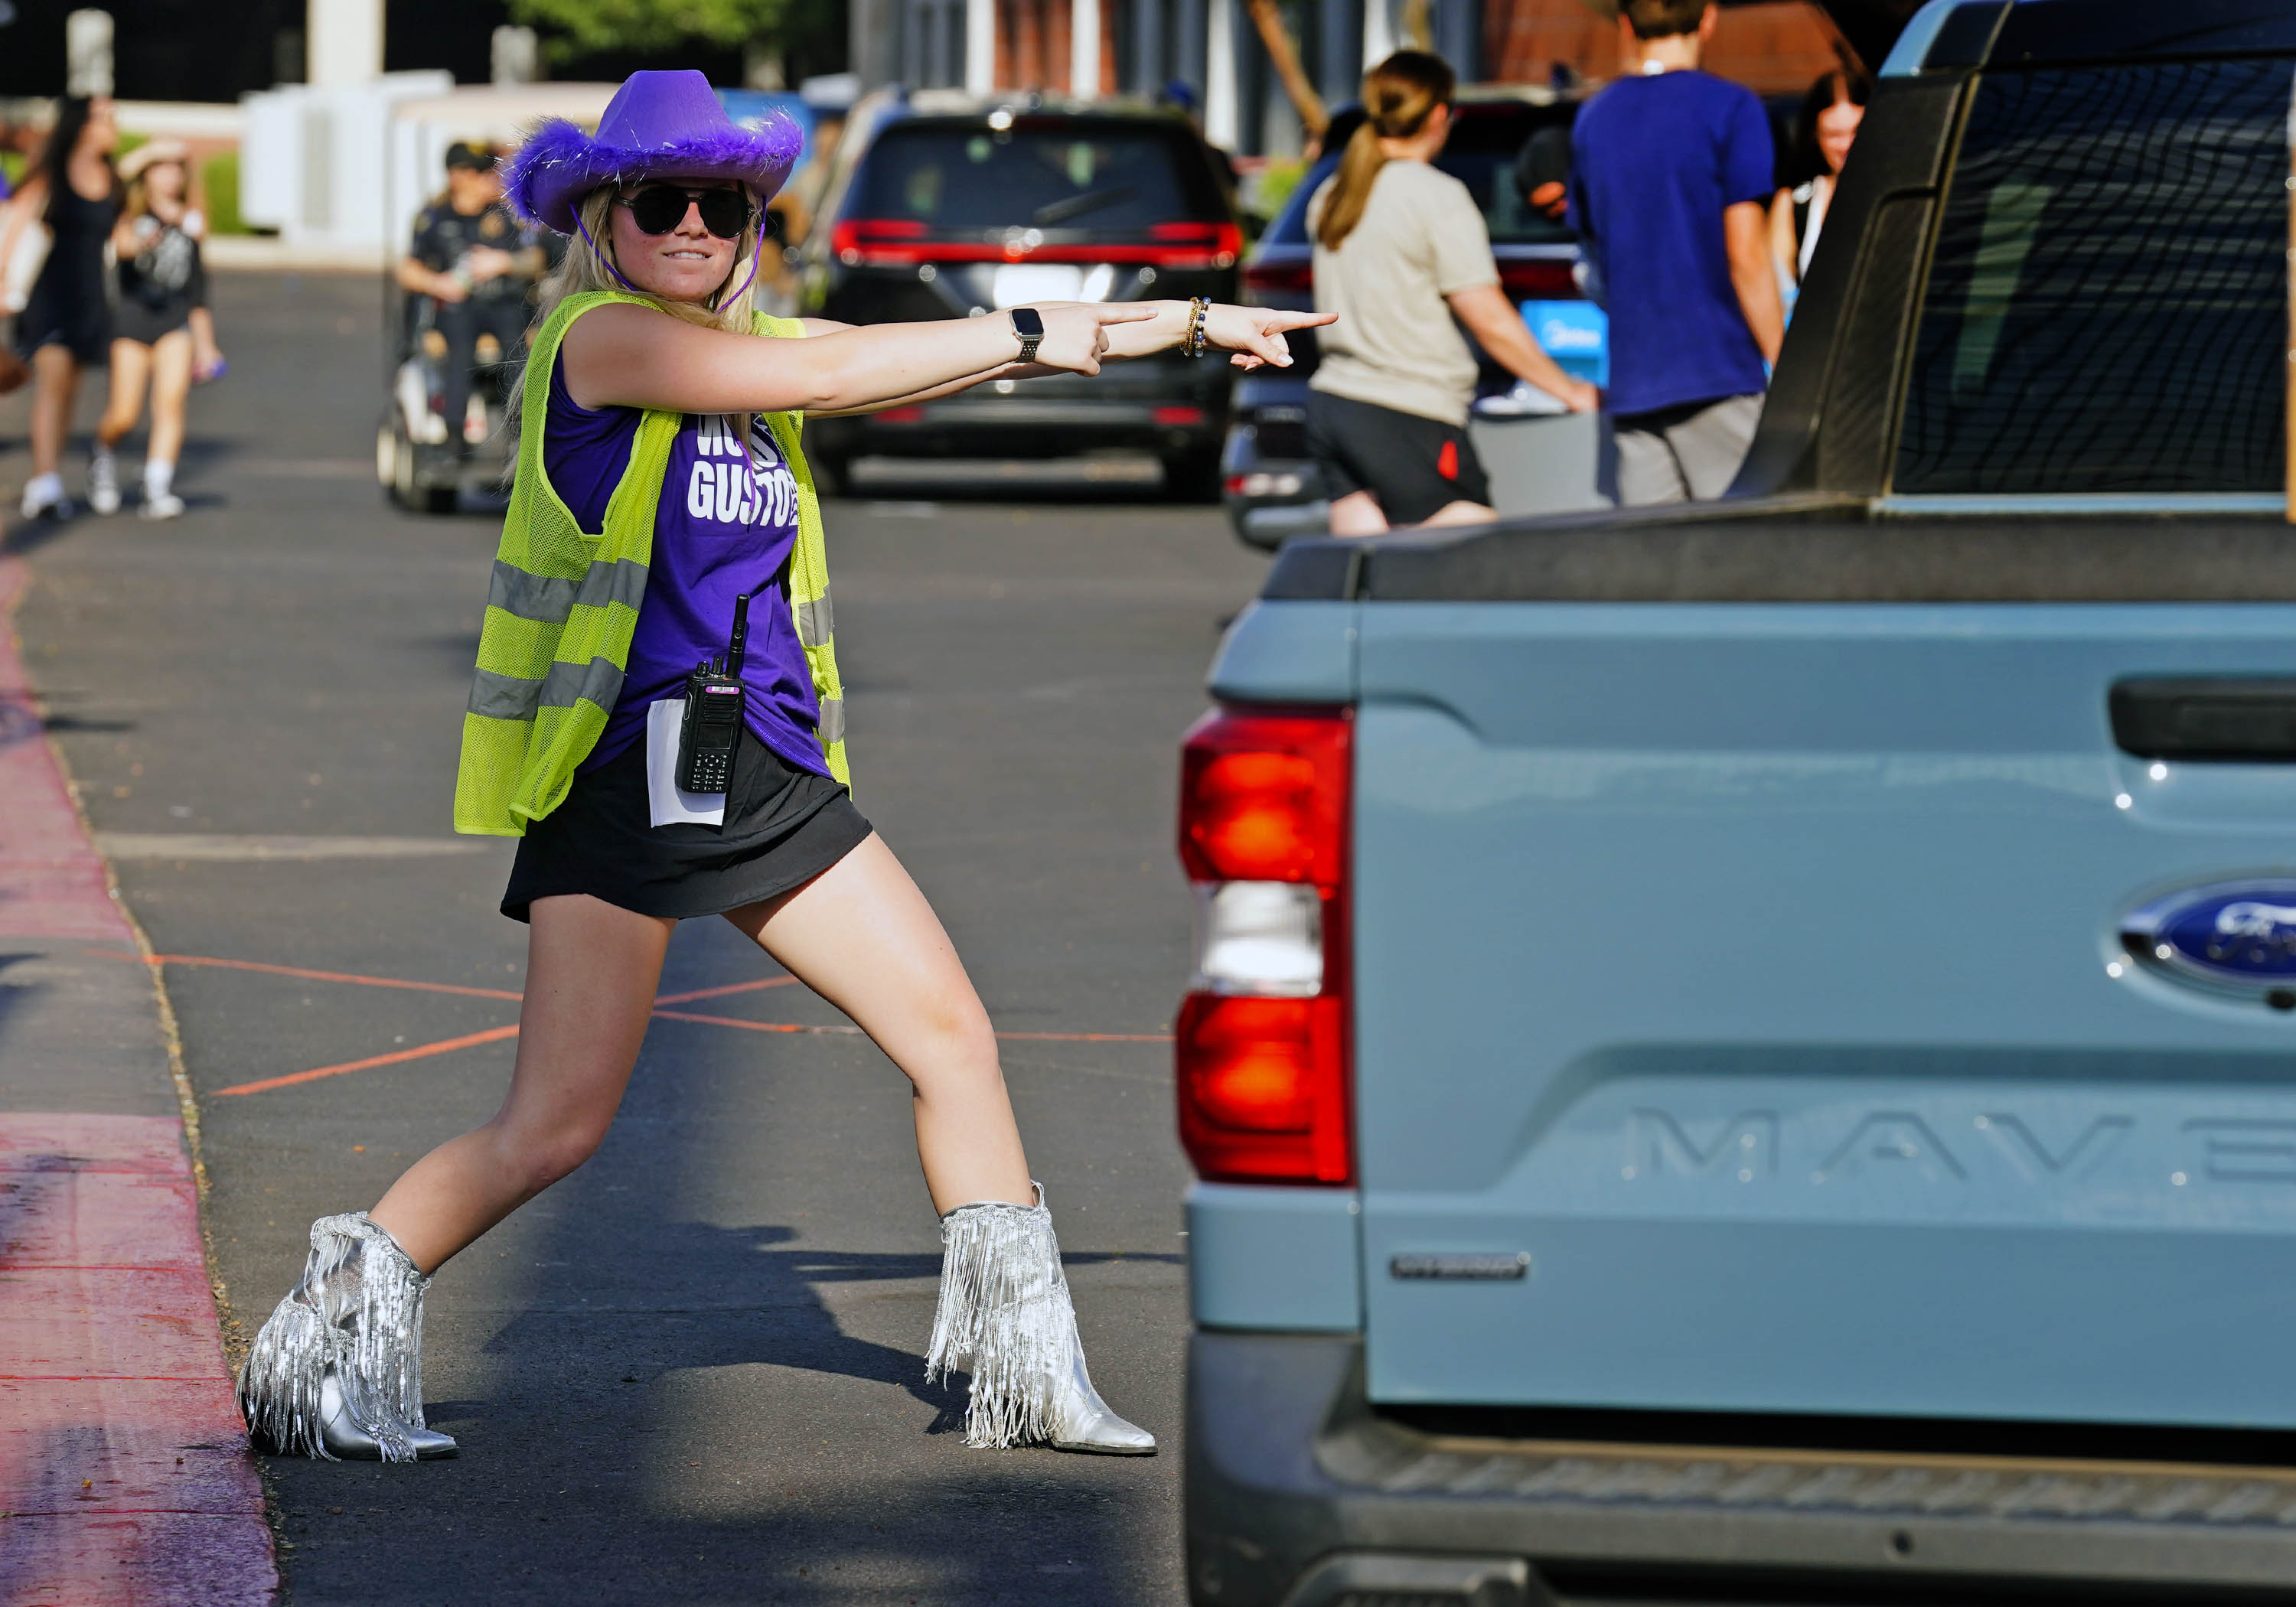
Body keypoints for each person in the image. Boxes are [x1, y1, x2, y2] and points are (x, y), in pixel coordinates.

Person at [233, 70, 1329, 1465]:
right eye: (659, 203)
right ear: (605, 221)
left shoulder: (750, 351)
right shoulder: (602, 340)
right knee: (554, 1126)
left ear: (753, 220)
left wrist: (1186, 319)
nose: (691, 225)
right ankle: (311, 1349)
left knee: (952, 1036)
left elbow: (936, 349)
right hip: (631, 773)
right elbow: (838, 371)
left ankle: (1029, 1373)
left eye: (723, 203)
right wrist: (1034, 327)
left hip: (759, 770)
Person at [1306, 51, 1596, 536]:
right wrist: (1569, 390)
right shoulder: (1436, 195)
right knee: (1470, 563)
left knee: (1363, 579)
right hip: (1408, 412)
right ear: (1440, 114)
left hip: (1335, 404)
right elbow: (1487, 316)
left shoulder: (1331, 193)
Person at [1567, 0, 1784, 505]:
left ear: (1625, 25)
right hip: (1719, 369)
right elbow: (1746, 252)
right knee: (1741, 551)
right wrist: (1782, 360)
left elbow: (1594, 250)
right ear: (1708, 18)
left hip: (1634, 377)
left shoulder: (1594, 117)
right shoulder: (1731, 107)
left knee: (1653, 563)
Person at [90, 140, 223, 520]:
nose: (171, 176)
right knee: (125, 413)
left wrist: (207, 346)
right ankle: (102, 453)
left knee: (170, 402)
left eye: (177, 168)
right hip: (133, 320)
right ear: (147, 174)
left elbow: (198, 288)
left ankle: (157, 483)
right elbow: (122, 245)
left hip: (174, 319)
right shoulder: (131, 213)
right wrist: (148, 152)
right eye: (161, 168)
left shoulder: (192, 222)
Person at [4, 96, 118, 520]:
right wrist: (2, 280)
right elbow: (16, 224)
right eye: (105, 118)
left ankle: (47, 475)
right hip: (49, 295)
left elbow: (120, 233)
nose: (112, 125)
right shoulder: (52, 175)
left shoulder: (111, 178)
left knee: (70, 388)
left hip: (90, 298)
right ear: (83, 126)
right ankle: (45, 481)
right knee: (52, 382)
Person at [396, 142, 543, 451]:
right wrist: (439, 284)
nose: (491, 178)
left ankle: (520, 437)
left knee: (516, 352)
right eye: (480, 172)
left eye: (490, 170)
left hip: (505, 304)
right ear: (458, 176)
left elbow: (537, 259)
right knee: (458, 349)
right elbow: (408, 270)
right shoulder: (436, 218)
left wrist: (504, 263)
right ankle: (453, 436)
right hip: (459, 306)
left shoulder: (507, 214)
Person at [1769, 70, 1867, 294]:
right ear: (1815, 134)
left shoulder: (1899, 194)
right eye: (1833, 134)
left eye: (1857, 132)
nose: (1846, 145)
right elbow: (1778, 290)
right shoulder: (1794, 202)